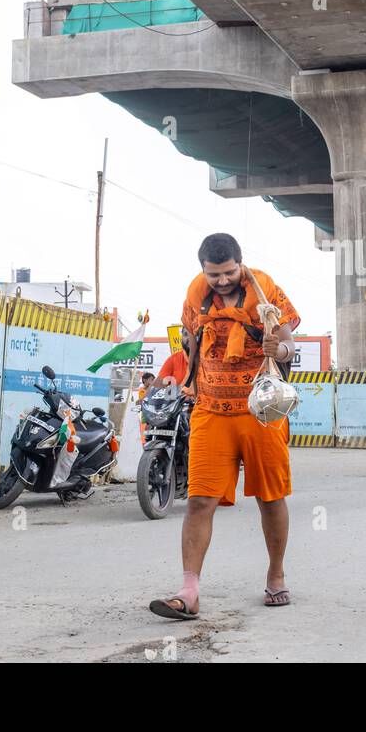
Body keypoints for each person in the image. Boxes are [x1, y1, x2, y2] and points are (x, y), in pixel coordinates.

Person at [148, 233, 299, 621]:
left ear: (240, 263)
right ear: (204, 270)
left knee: (270, 498)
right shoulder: (196, 295)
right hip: (211, 411)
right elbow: (191, 343)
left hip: (261, 411)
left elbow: (289, 344)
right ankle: (189, 590)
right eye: (213, 274)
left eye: (228, 272)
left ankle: (275, 573)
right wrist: (189, 385)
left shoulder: (264, 291)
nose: (221, 280)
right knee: (199, 500)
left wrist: (277, 350)